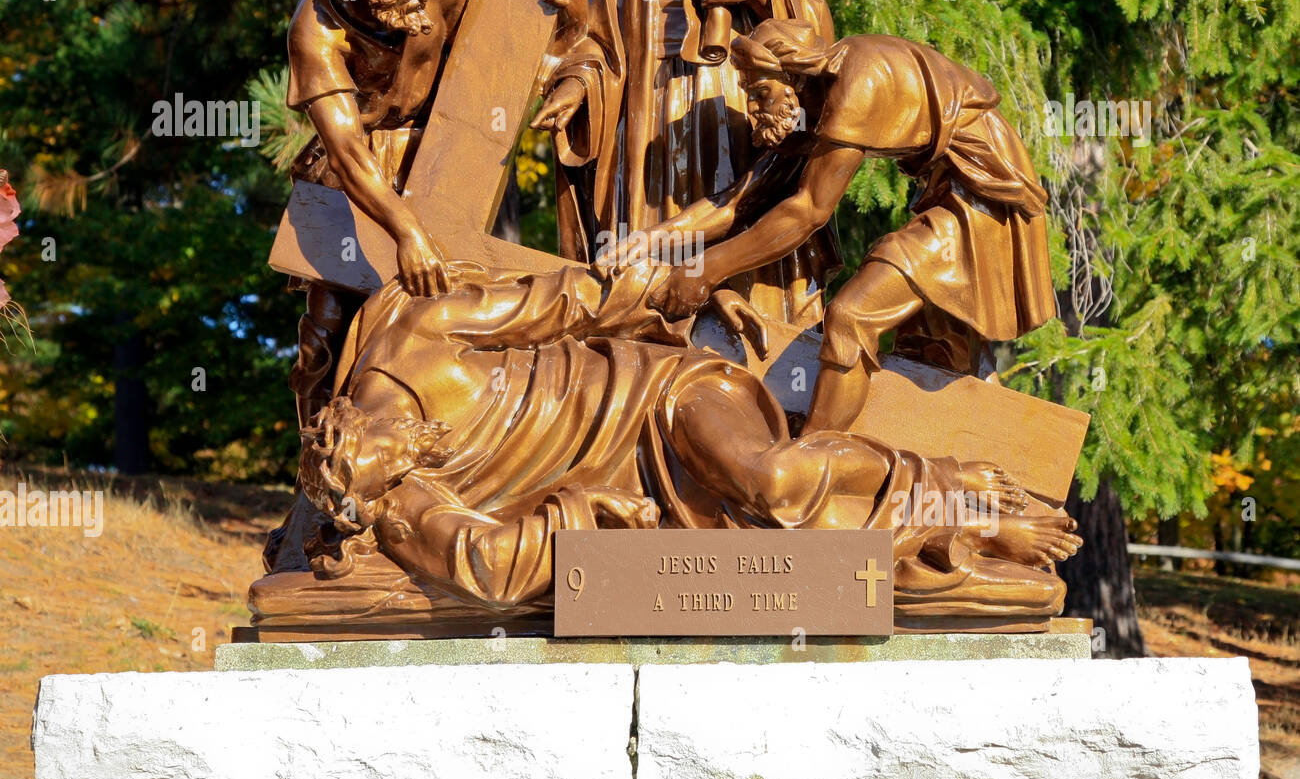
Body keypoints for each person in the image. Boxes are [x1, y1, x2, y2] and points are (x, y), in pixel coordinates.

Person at [293, 258, 1080, 616]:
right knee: (786, 548)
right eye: (383, 482)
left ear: (355, 419)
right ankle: (948, 538)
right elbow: (492, 571)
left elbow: (569, 301)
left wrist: (685, 285)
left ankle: (951, 489)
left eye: (384, 451)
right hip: (627, 490)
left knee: (768, 481)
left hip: (661, 395)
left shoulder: (418, 336)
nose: (405, 466)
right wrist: (596, 511)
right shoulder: (391, 500)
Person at [648, 19, 1057, 432]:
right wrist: (649, 243)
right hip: (956, 198)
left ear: (794, 77)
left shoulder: (858, 78)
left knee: (851, 315)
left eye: (759, 92)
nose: (753, 108)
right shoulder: (814, 102)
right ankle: (1003, 444)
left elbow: (807, 210)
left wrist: (708, 271)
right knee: (939, 355)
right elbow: (741, 199)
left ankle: (813, 455)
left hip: (984, 203)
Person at [529, 0, 836, 326]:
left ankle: (736, 319)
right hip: (644, 117)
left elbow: (816, 33)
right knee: (639, 245)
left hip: (725, 108)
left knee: (730, 214)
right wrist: (577, 75)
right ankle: (641, 337)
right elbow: (599, 46)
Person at [283, 0, 471, 430]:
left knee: (440, 319)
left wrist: (572, 19)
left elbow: (494, 58)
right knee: (327, 334)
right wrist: (407, 233)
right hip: (351, 176)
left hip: (435, 162)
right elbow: (346, 152)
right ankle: (320, 477)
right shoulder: (316, 27)